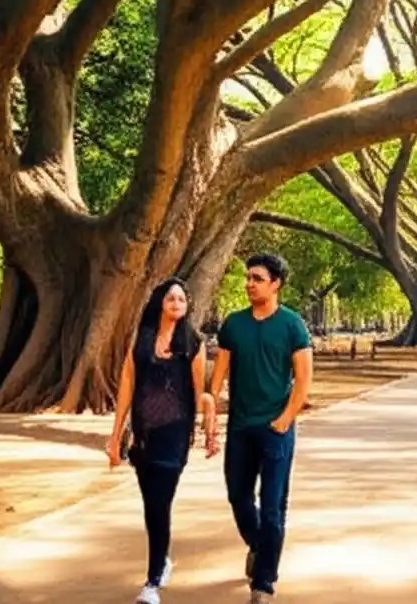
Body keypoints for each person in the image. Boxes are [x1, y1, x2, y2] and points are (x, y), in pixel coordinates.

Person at [208, 253, 313, 604]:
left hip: (276, 429)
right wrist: (211, 412)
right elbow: (218, 376)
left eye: (257, 278)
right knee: (238, 497)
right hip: (240, 427)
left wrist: (284, 420)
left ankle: (264, 583)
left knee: (272, 507)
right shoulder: (233, 325)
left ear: (275, 283)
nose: (249, 283)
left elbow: (303, 381)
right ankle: (259, 545)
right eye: (248, 277)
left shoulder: (292, 325)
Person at [108, 277, 218, 604]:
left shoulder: (192, 343)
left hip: (175, 435)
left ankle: (152, 582)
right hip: (144, 435)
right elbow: (127, 386)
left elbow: (200, 394)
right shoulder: (141, 341)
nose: (176, 303)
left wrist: (209, 427)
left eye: (182, 299)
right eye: (171, 297)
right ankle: (163, 560)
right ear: (159, 302)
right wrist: (115, 436)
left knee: (161, 502)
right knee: (151, 506)